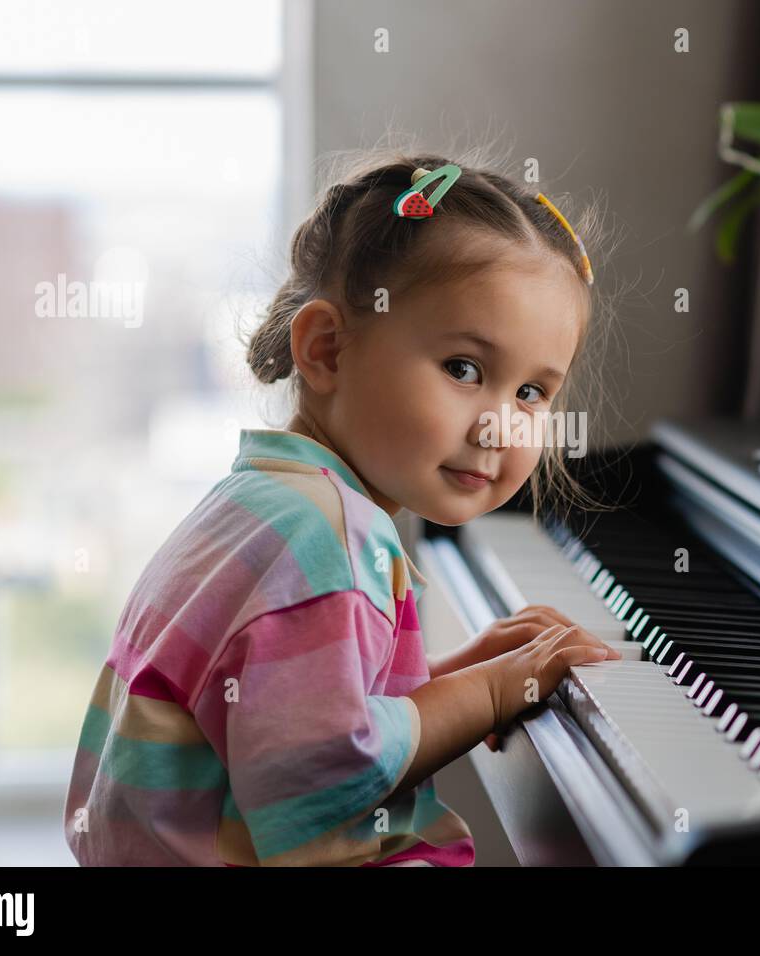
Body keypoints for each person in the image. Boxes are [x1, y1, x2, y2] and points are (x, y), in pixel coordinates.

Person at [63, 146, 623, 866]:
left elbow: (300, 710)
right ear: (327, 350)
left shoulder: (272, 498)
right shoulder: (321, 537)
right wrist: (487, 693)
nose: (501, 425)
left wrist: (452, 677)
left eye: (531, 393)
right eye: (464, 369)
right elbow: (327, 782)